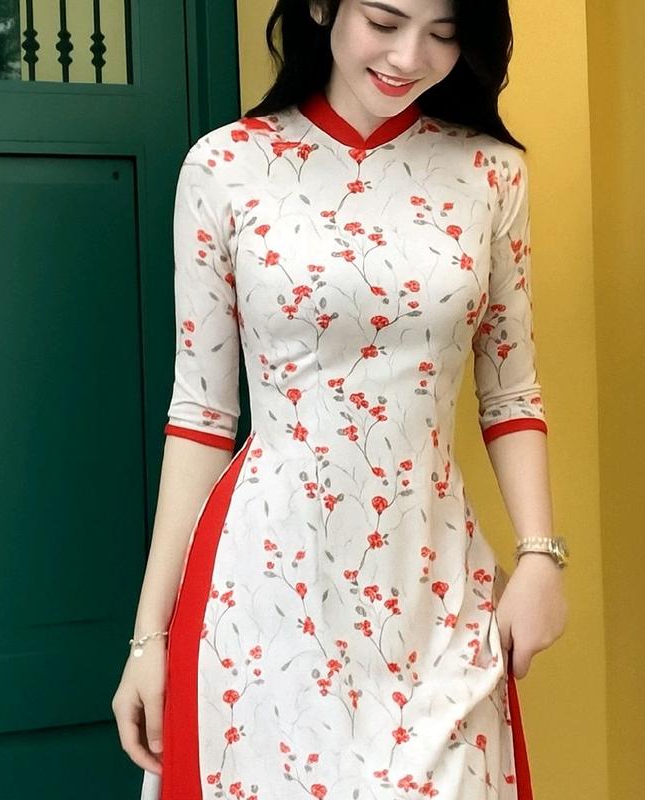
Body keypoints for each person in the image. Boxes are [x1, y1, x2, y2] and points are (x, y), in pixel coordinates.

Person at [111, 0, 569, 798]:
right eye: (385, 22)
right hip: (264, 590)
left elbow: (510, 390)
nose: (410, 57)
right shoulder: (226, 167)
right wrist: (149, 637)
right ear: (322, 4)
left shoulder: (490, 173)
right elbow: (202, 418)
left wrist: (539, 556)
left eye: (444, 33)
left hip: (432, 586)